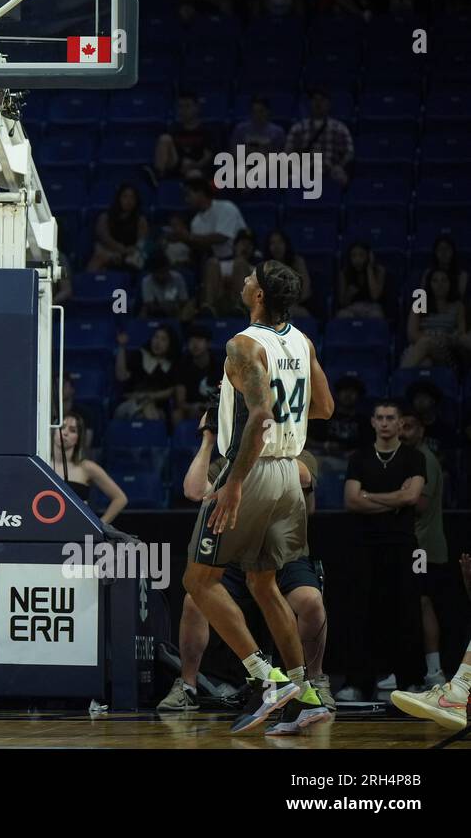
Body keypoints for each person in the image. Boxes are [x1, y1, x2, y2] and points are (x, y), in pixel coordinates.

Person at [182, 260, 335, 733]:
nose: (245, 280)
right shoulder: (303, 341)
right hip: (290, 473)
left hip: (252, 471)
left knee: (199, 581)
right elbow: (325, 407)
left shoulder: (243, 344)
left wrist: (233, 483)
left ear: (260, 295)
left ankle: (265, 678)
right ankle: (304, 694)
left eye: (251, 276)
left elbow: (261, 416)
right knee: (263, 584)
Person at [161, 414, 333, 719]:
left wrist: (242, 472)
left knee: (310, 601)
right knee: (194, 597)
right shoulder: (230, 461)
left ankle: (312, 681)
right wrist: (208, 440)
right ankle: (188, 685)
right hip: (238, 558)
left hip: (286, 557)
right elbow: (194, 490)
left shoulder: (292, 454)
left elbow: (303, 477)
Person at [338, 400, 427, 702]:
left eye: (391, 418)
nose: (385, 423)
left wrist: (370, 497)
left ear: (400, 423)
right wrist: (395, 498)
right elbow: (351, 500)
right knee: (361, 613)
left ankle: (411, 681)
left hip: (402, 545)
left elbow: (412, 497)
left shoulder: (414, 458)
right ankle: (358, 683)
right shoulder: (360, 458)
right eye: (380, 417)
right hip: (365, 545)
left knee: (406, 613)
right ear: (373, 422)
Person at [398, 408, 451, 691]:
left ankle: (434, 671)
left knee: (422, 602)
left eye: (409, 426)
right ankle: (409, 669)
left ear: (422, 430)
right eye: (401, 425)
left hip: (424, 547)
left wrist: (393, 493)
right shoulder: (410, 458)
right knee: (412, 604)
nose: (403, 432)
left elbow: (420, 504)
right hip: (415, 545)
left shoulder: (424, 459)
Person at [50, 414, 128, 524]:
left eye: (72, 430)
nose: (65, 433)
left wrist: (100, 525)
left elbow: (120, 498)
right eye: (62, 427)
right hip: (46, 527)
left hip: (76, 528)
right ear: (54, 431)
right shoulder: (41, 463)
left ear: (78, 439)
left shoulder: (87, 467)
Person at [165, 178, 248, 267]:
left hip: (244, 258)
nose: (187, 200)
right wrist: (182, 238)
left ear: (200, 193)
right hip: (221, 262)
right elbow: (202, 246)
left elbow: (221, 237)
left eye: (189, 195)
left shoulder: (225, 207)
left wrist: (188, 237)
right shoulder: (196, 221)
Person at [400, 268, 469, 368]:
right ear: (429, 284)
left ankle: (400, 375)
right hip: (420, 346)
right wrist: (433, 339)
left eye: (444, 280)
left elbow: (461, 333)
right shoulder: (419, 304)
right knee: (425, 363)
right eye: (435, 280)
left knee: (425, 344)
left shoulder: (458, 306)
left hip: (446, 349)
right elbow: (412, 334)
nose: (440, 284)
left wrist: (445, 339)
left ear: (450, 283)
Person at [287, 88, 353, 186]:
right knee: (288, 180)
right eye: (315, 100)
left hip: (330, 169)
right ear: (310, 103)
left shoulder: (340, 128)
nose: (318, 103)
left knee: (342, 179)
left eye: (322, 100)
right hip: (304, 169)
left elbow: (349, 152)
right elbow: (288, 153)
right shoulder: (298, 128)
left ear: (328, 104)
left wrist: (339, 166)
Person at [114, 326, 179, 421]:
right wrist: (122, 347)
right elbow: (121, 376)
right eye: (156, 337)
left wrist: (148, 396)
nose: (157, 342)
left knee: (147, 412)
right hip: (130, 405)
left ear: (170, 344)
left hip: (157, 409)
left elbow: (171, 391)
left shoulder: (172, 365)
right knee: (146, 410)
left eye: (163, 339)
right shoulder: (139, 355)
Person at [153, 92, 220, 180]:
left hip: (198, 168)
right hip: (177, 166)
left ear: (197, 108)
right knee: (164, 139)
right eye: (180, 107)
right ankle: (158, 179)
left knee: (194, 174)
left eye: (187, 106)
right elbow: (171, 156)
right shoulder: (173, 130)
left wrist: (193, 165)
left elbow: (208, 157)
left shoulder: (207, 131)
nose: (183, 110)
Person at [88, 183, 149, 272]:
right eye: (125, 196)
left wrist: (129, 251)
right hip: (110, 251)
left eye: (132, 197)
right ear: (118, 198)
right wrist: (121, 250)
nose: (128, 200)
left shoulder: (141, 220)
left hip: (131, 253)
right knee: (98, 255)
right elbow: (104, 238)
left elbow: (142, 242)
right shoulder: (105, 217)